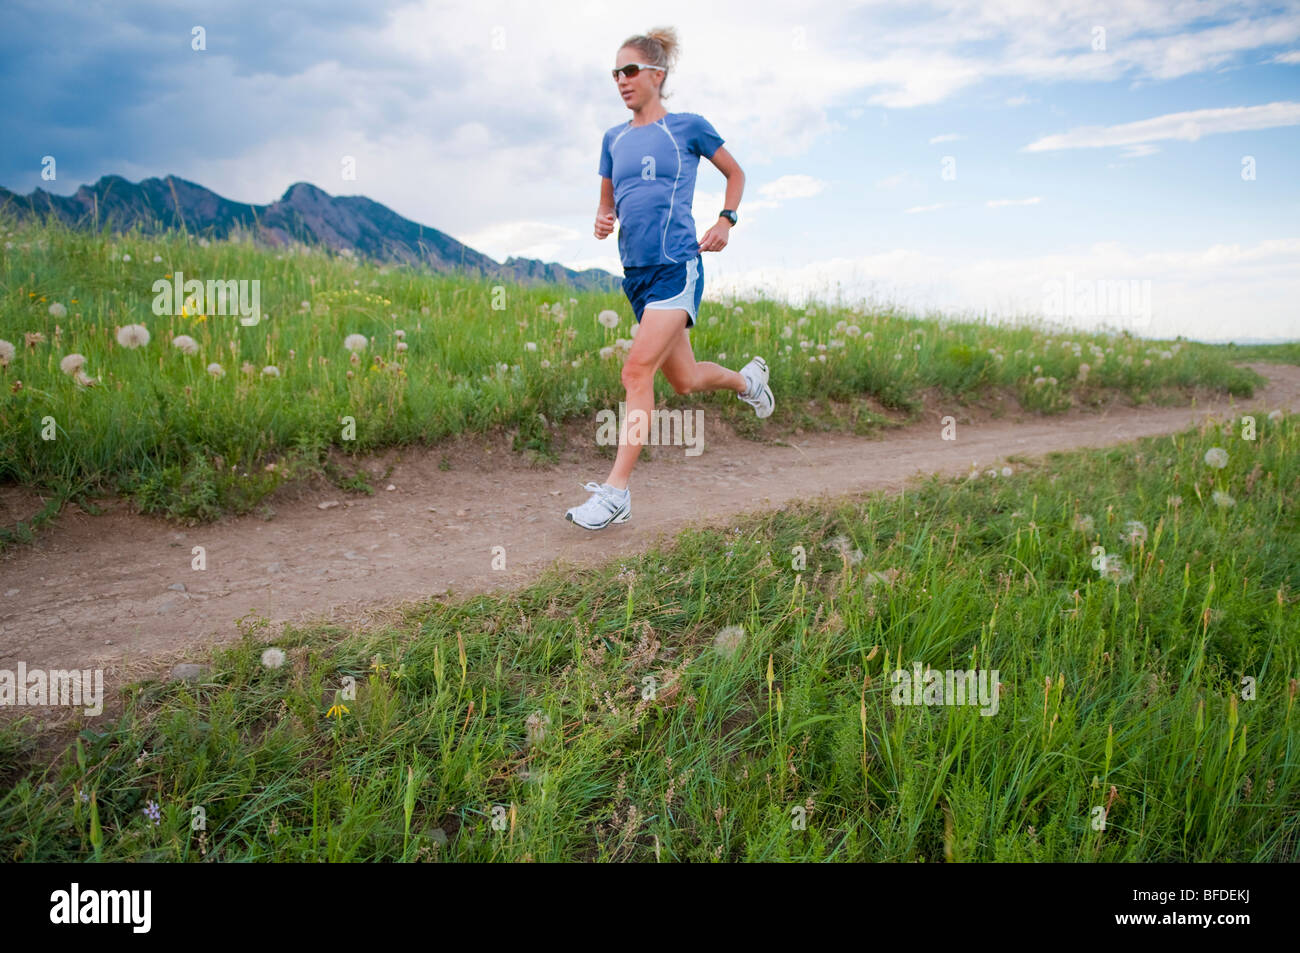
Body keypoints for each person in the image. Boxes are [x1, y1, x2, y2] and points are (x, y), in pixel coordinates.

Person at [566, 26, 774, 531]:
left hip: (676, 267)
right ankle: (749, 381)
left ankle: (616, 493)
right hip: (635, 277)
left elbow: (736, 173)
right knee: (684, 380)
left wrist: (726, 220)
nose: (621, 80)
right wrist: (601, 219)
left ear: (657, 74)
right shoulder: (612, 139)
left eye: (631, 70)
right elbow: (606, 201)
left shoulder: (687, 128)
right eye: (615, 72)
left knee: (635, 372)